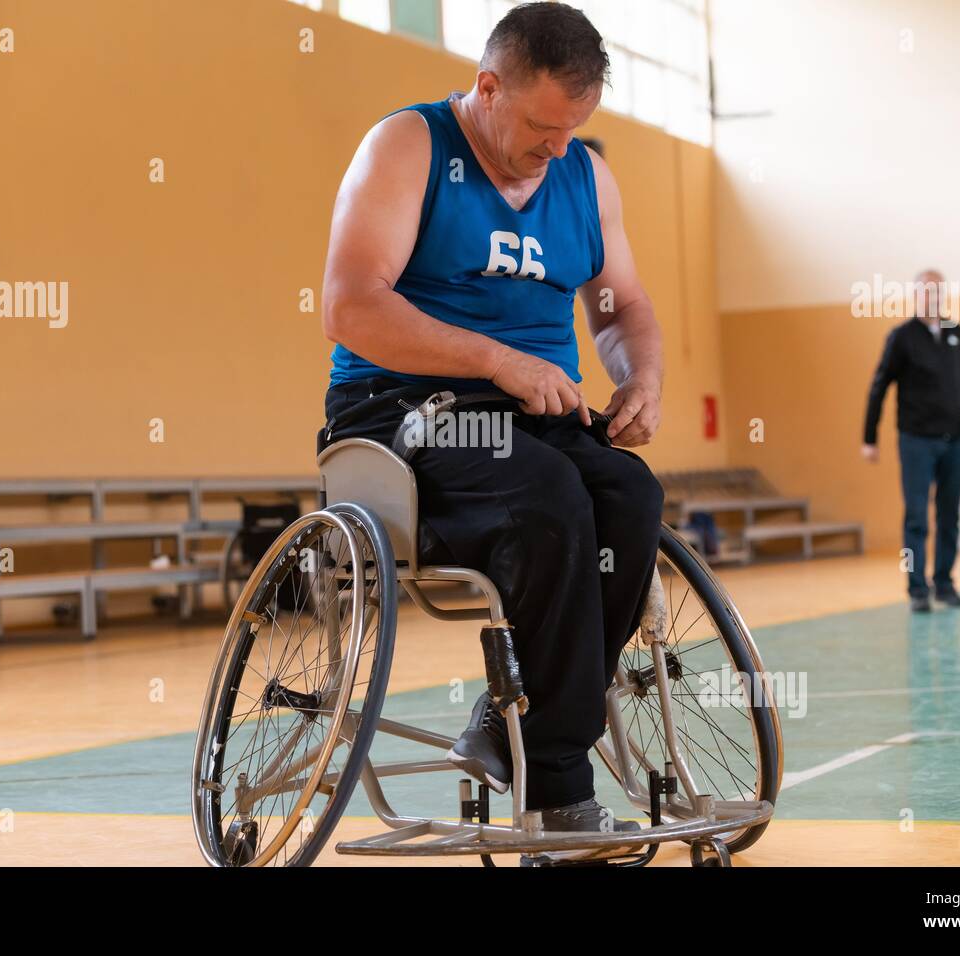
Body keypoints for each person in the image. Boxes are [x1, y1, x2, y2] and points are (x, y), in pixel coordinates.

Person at [318, 2, 664, 843]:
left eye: (573, 128)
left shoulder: (584, 174)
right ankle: (555, 785)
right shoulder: (410, 147)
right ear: (487, 86)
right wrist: (495, 359)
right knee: (549, 497)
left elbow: (619, 308)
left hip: (536, 411)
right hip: (405, 411)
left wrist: (640, 376)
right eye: (543, 126)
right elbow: (351, 305)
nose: (556, 148)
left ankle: (518, 723)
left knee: (628, 495)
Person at [862, 269, 960, 612]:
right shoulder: (902, 337)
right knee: (916, 516)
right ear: (916, 296)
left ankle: (944, 582)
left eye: (938, 292)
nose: (932, 298)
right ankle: (917, 588)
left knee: (950, 514)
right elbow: (879, 385)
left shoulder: (954, 331)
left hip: (953, 439)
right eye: (926, 292)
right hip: (916, 439)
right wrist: (869, 437)